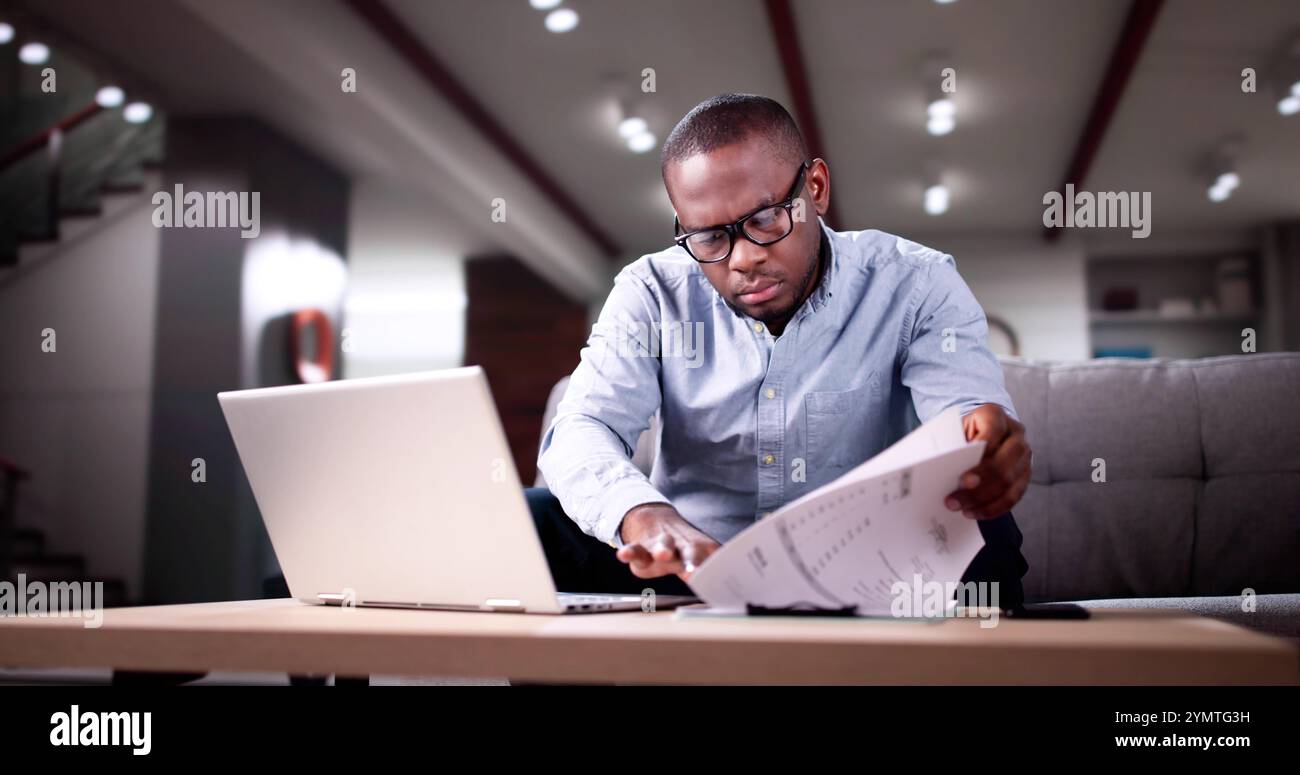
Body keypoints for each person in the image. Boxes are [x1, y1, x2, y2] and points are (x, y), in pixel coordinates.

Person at [532, 93, 1030, 610]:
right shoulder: (652, 291)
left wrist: (983, 442)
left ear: (815, 188)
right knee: (530, 522)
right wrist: (645, 517)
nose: (744, 260)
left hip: (870, 571)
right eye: (708, 237)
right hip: (689, 565)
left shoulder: (916, 282)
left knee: (988, 526)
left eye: (766, 219)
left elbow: (966, 415)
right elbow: (583, 427)